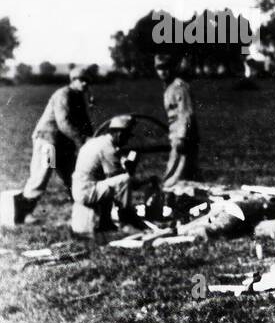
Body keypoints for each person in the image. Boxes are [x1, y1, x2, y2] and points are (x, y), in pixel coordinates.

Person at [18, 65, 94, 219]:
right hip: (49, 141)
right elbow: (63, 122)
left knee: (73, 175)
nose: (85, 84)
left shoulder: (78, 97)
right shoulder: (63, 95)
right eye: (81, 80)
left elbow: (84, 122)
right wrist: (83, 139)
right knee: (42, 174)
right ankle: (23, 213)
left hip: (64, 144)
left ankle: (83, 211)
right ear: (73, 81)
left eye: (87, 81)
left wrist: (93, 139)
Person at [70, 115, 152, 237]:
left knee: (109, 185)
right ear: (119, 133)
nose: (127, 140)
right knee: (123, 180)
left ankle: (106, 223)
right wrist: (141, 178)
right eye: (127, 136)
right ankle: (126, 221)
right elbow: (122, 181)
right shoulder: (108, 148)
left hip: (81, 188)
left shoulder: (97, 142)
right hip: (87, 191)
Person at [155, 54, 199, 187]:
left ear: (172, 68)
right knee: (186, 173)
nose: (162, 72)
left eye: (165, 68)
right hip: (176, 135)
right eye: (159, 68)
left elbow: (186, 113)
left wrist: (181, 137)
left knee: (174, 175)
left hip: (183, 137)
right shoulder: (169, 87)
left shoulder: (178, 87)